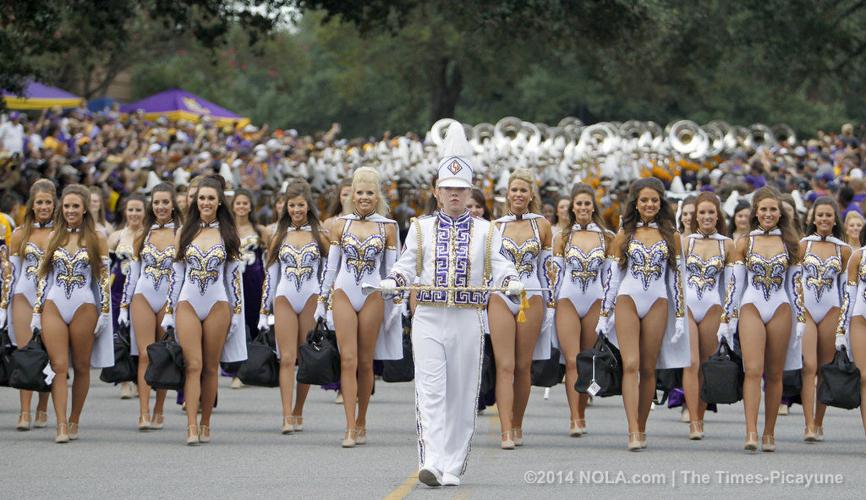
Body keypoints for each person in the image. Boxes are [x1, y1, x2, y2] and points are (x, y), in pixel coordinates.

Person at [380, 121, 521, 487]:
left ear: (470, 191)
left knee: (462, 392)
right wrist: (394, 281)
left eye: (461, 189)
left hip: (467, 318)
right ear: (437, 192)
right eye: (448, 189)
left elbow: (502, 265)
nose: (455, 195)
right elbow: (406, 265)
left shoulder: (487, 230)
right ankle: (433, 460)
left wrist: (510, 282)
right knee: (430, 390)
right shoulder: (421, 227)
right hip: (428, 314)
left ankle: (454, 464)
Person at [596, 177, 690, 451]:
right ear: (635, 204)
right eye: (644, 200)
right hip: (628, 299)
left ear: (661, 204)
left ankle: (643, 424)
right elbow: (613, 277)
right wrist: (605, 314)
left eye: (654, 200)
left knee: (649, 368)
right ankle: (632, 429)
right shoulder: (624, 234)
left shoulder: (672, 236)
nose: (649, 204)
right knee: (631, 364)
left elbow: (676, 279)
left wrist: (681, 316)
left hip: (658, 302)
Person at [318, 166, 401, 448]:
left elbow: (393, 270)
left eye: (370, 193)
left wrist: (396, 302)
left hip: (373, 294)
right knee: (348, 359)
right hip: (343, 291)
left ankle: (362, 419)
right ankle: (350, 426)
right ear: (352, 195)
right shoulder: (340, 225)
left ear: (377, 196)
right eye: (359, 192)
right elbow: (331, 269)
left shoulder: (388, 227)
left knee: (365, 362)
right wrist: (322, 302)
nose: (364, 197)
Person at [718, 186, 805, 452]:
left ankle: (769, 432)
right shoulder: (744, 243)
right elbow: (735, 285)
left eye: (773, 209)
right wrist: (727, 318)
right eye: (764, 209)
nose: (768, 214)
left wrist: (800, 318)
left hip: (780, 307)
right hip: (751, 306)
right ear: (756, 212)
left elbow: (796, 286)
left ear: (781, 213)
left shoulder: (792, 244)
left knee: (775, 373)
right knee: (753, 370)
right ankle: (751, 431)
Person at [162, 175, 246, 445]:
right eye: (202, 198)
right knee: (193, 365)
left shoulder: (229, 233)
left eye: (211, 198)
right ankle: (190, 426)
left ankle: (206, 422)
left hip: (218, 303)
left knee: (210, 367)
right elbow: (175, 275)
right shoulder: (183, 232)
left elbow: (233, 278)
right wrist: (168, 311)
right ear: (195, 201)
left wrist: (236, 312)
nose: (206, 202)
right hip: (187, 302)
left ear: (219, 201)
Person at [32, 184, 114, 443]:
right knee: (58, 366)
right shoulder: (54, 235)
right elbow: (44, 277)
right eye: (66, 206)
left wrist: (104, 311)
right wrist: (37, 310)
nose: (70, 210)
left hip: (85, 306)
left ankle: (74, 419)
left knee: (80, 366)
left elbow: (102, 279)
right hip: (54, 304)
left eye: (75, 206)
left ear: (85, 208)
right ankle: (60, 425)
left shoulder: (97, 237)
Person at [489, 168, 554, 449]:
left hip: (532, 296)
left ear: (531, 196)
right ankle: (504, 429)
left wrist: (550, 303)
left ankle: (517, 423)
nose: (518, 194)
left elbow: (547, 269)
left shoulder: (542, 225)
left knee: (523, 365)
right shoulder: (495, 226)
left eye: (523, 190)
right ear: (508, 193)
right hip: (500, 296)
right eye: (514, 189)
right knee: (504, 365)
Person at [260, 180, 329, 433]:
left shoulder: (320, 235)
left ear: (308, 206)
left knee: (305, 358)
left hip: (311, 297)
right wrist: (263, 310)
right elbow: (271, 276)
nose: (297, 210)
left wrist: (325, 305)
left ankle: (299, 409)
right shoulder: (278, 235)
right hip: (284, 297)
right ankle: (286, 415)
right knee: (286, 357)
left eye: (301, 205)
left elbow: (325, 274)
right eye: (292, 205)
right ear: (286, 207)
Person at [552, 183, 612, 437]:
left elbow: (610, 277)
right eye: (579, 204)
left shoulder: (606, 237)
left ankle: (583, 412)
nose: (584, 208)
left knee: (589, 361)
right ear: (572, 208)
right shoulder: (562, 237)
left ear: (593, 207)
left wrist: (609, 309)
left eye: (588, 203)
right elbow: (555, 275)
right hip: (567, 299)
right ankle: (574, 417)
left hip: (595, 300)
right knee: (572, 360)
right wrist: (549, 308)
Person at [118, 183, 180, 431]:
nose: (161, 207)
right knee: (144, 353)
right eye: (156, 203)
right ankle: (143, 412)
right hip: (143, 295)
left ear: (173, 205)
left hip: (168, 298)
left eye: (165, 202)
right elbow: (133, 274)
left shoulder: (182, 233)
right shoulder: (143, 234)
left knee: (162, 354)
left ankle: (159, 410)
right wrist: (124, 305)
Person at [1, 179, 56, 430]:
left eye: (47, 202)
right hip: (24, 296)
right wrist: (4, 306)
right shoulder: (21, 234)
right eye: (39, 202)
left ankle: (42, 408)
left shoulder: (62, 233)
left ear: (55, 204)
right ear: (31, 205)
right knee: (25, 353)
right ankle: (24, 412)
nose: (43, 206)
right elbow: (11, 273)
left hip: (53, 299)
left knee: (49, 354)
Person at [681, 192, 733, 440]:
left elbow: (731, 285)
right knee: (690, 362)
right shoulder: (684, 242)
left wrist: (728, 318)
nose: (706, 216)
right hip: (688, 307)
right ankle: (693, 421)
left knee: (704, 364)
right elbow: (675, 281)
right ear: (695, 216)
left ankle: (700, 417)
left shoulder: (727, 244)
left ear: (718, 215)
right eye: (702, 212)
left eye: (711, 212)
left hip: (713, 306)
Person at [798, 197, 849, 442]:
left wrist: (843, 323)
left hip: (832, 311)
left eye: (829, 215)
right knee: (808, 366)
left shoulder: (844, 249)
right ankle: (808, 423)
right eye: (820, 215)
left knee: (824, 368)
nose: (824, 219)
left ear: (835, 219)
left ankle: (819, 421)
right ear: (813, 218)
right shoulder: (802, 246)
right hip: (806, 310)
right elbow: (794, 281)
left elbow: (847, 290)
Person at [224, 188, 268, 389]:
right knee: (232, 323)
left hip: (254, 280)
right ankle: (233, 368)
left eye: (245, 203)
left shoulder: (260, 230)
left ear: (250, 206)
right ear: (232, 206)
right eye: (238, 203)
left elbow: (269, 258)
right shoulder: (225, 229)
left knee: (251, 322)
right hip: (232, 281)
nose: (241, 207)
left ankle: (247, 370)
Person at [108, 194, 146, 400]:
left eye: (138, 210)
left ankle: (141, 380)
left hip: (141, 290)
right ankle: (123, 381)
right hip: (118, 291)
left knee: (139, 335)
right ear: (125, 212)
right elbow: (107, 269)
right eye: (130, 209)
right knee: (120, 336)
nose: (134, 214)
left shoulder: (150, 235)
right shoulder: (116, 236)